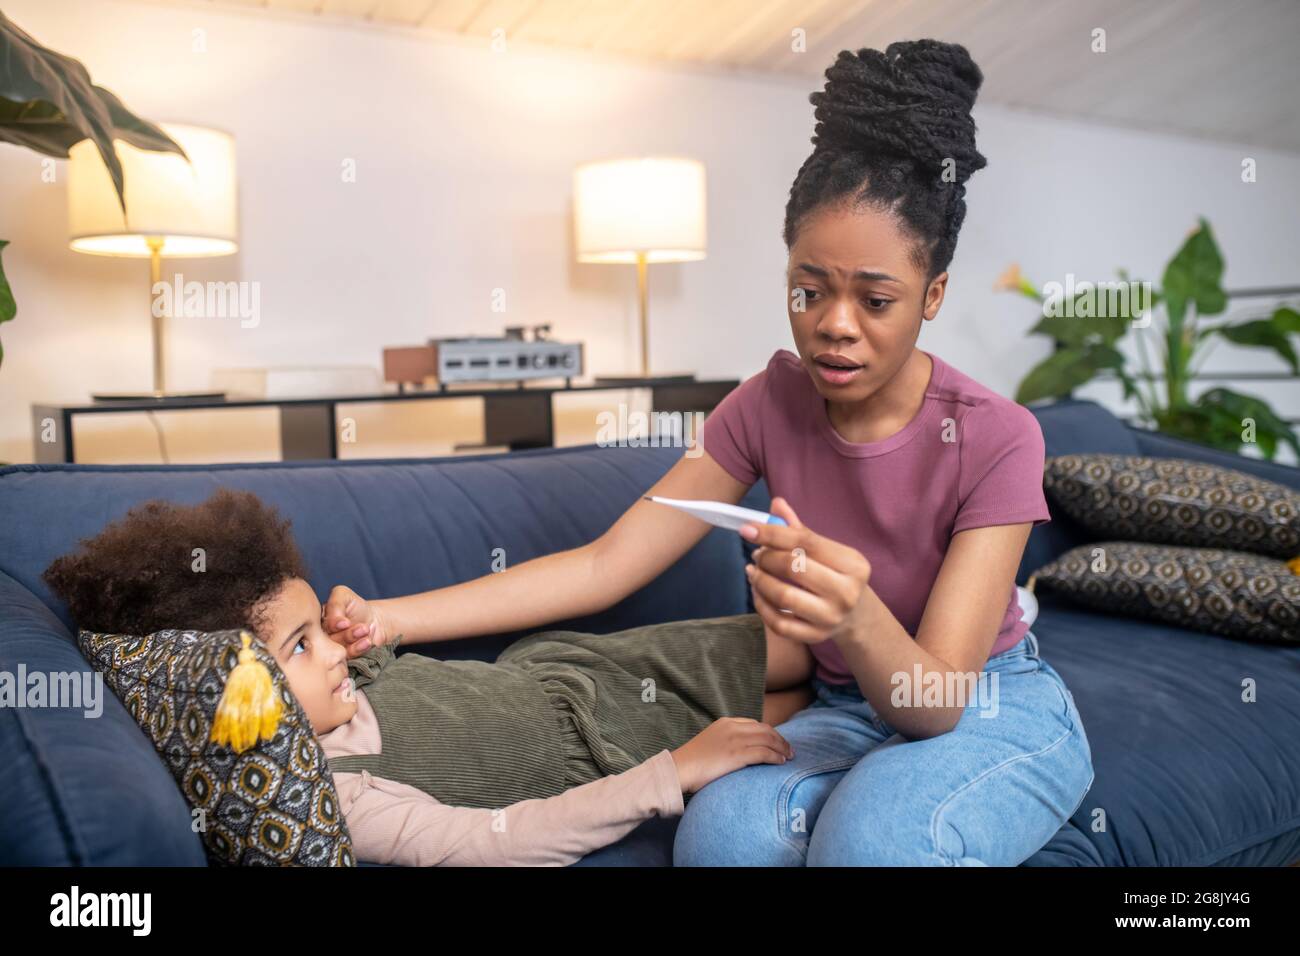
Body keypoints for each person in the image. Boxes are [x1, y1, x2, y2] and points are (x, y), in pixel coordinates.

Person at [325, 38, 1095, 866]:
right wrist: (389, 619)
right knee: (718, 837)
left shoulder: (998, 435)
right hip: (842, 703)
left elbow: (933, 700)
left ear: (932, 294)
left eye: (875, 299)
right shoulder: (769, 402)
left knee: (872, 842)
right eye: (809, 288)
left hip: (983, 704)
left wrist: (854, 615)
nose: (835, 322)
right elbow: (602, 565)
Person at [44, 488, 812, 866]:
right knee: (797, 718)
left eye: (318, 632)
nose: (333, 653)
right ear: (237, 695)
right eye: (302, 647)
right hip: (614, 747)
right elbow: (497, 843)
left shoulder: (340, 690)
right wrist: (672, 774)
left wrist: (354, 624)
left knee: (807, 652)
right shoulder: (339, 796)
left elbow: (366, 650)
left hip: (576, 667)